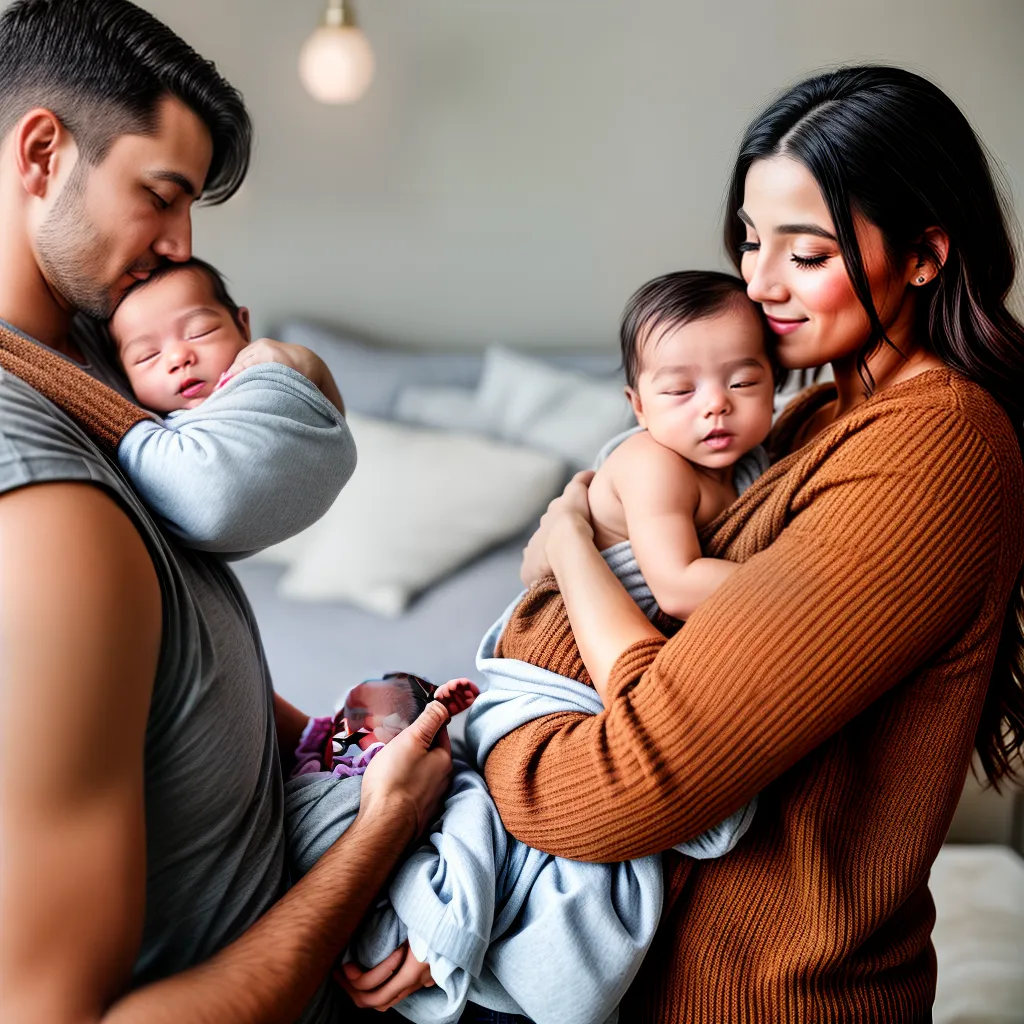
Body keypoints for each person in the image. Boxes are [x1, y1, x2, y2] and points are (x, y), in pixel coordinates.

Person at [477, 65, 1024, 1022]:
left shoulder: (933, 451)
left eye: (805, 254)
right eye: (749, 240)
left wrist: (474, 755)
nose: (758, 283)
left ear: (924, 256)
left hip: (768, 995)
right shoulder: (806, 422)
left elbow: (622, 783)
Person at [0, 3, 450, 1023]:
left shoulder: (99, 364)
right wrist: (380, 834)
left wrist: (332, 748)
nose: (178, 246)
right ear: (41, 153)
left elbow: (167, 672)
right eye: (160, 196)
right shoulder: (40, 495)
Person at [586, 270, 775, 652]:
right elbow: (678, 587)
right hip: (571, 649)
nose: (716, 404)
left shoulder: (756, 461)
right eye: (680, 390)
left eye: (741, 383)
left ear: (775, 386)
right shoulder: (651, 463)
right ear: (639, 407)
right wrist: (806, 586)